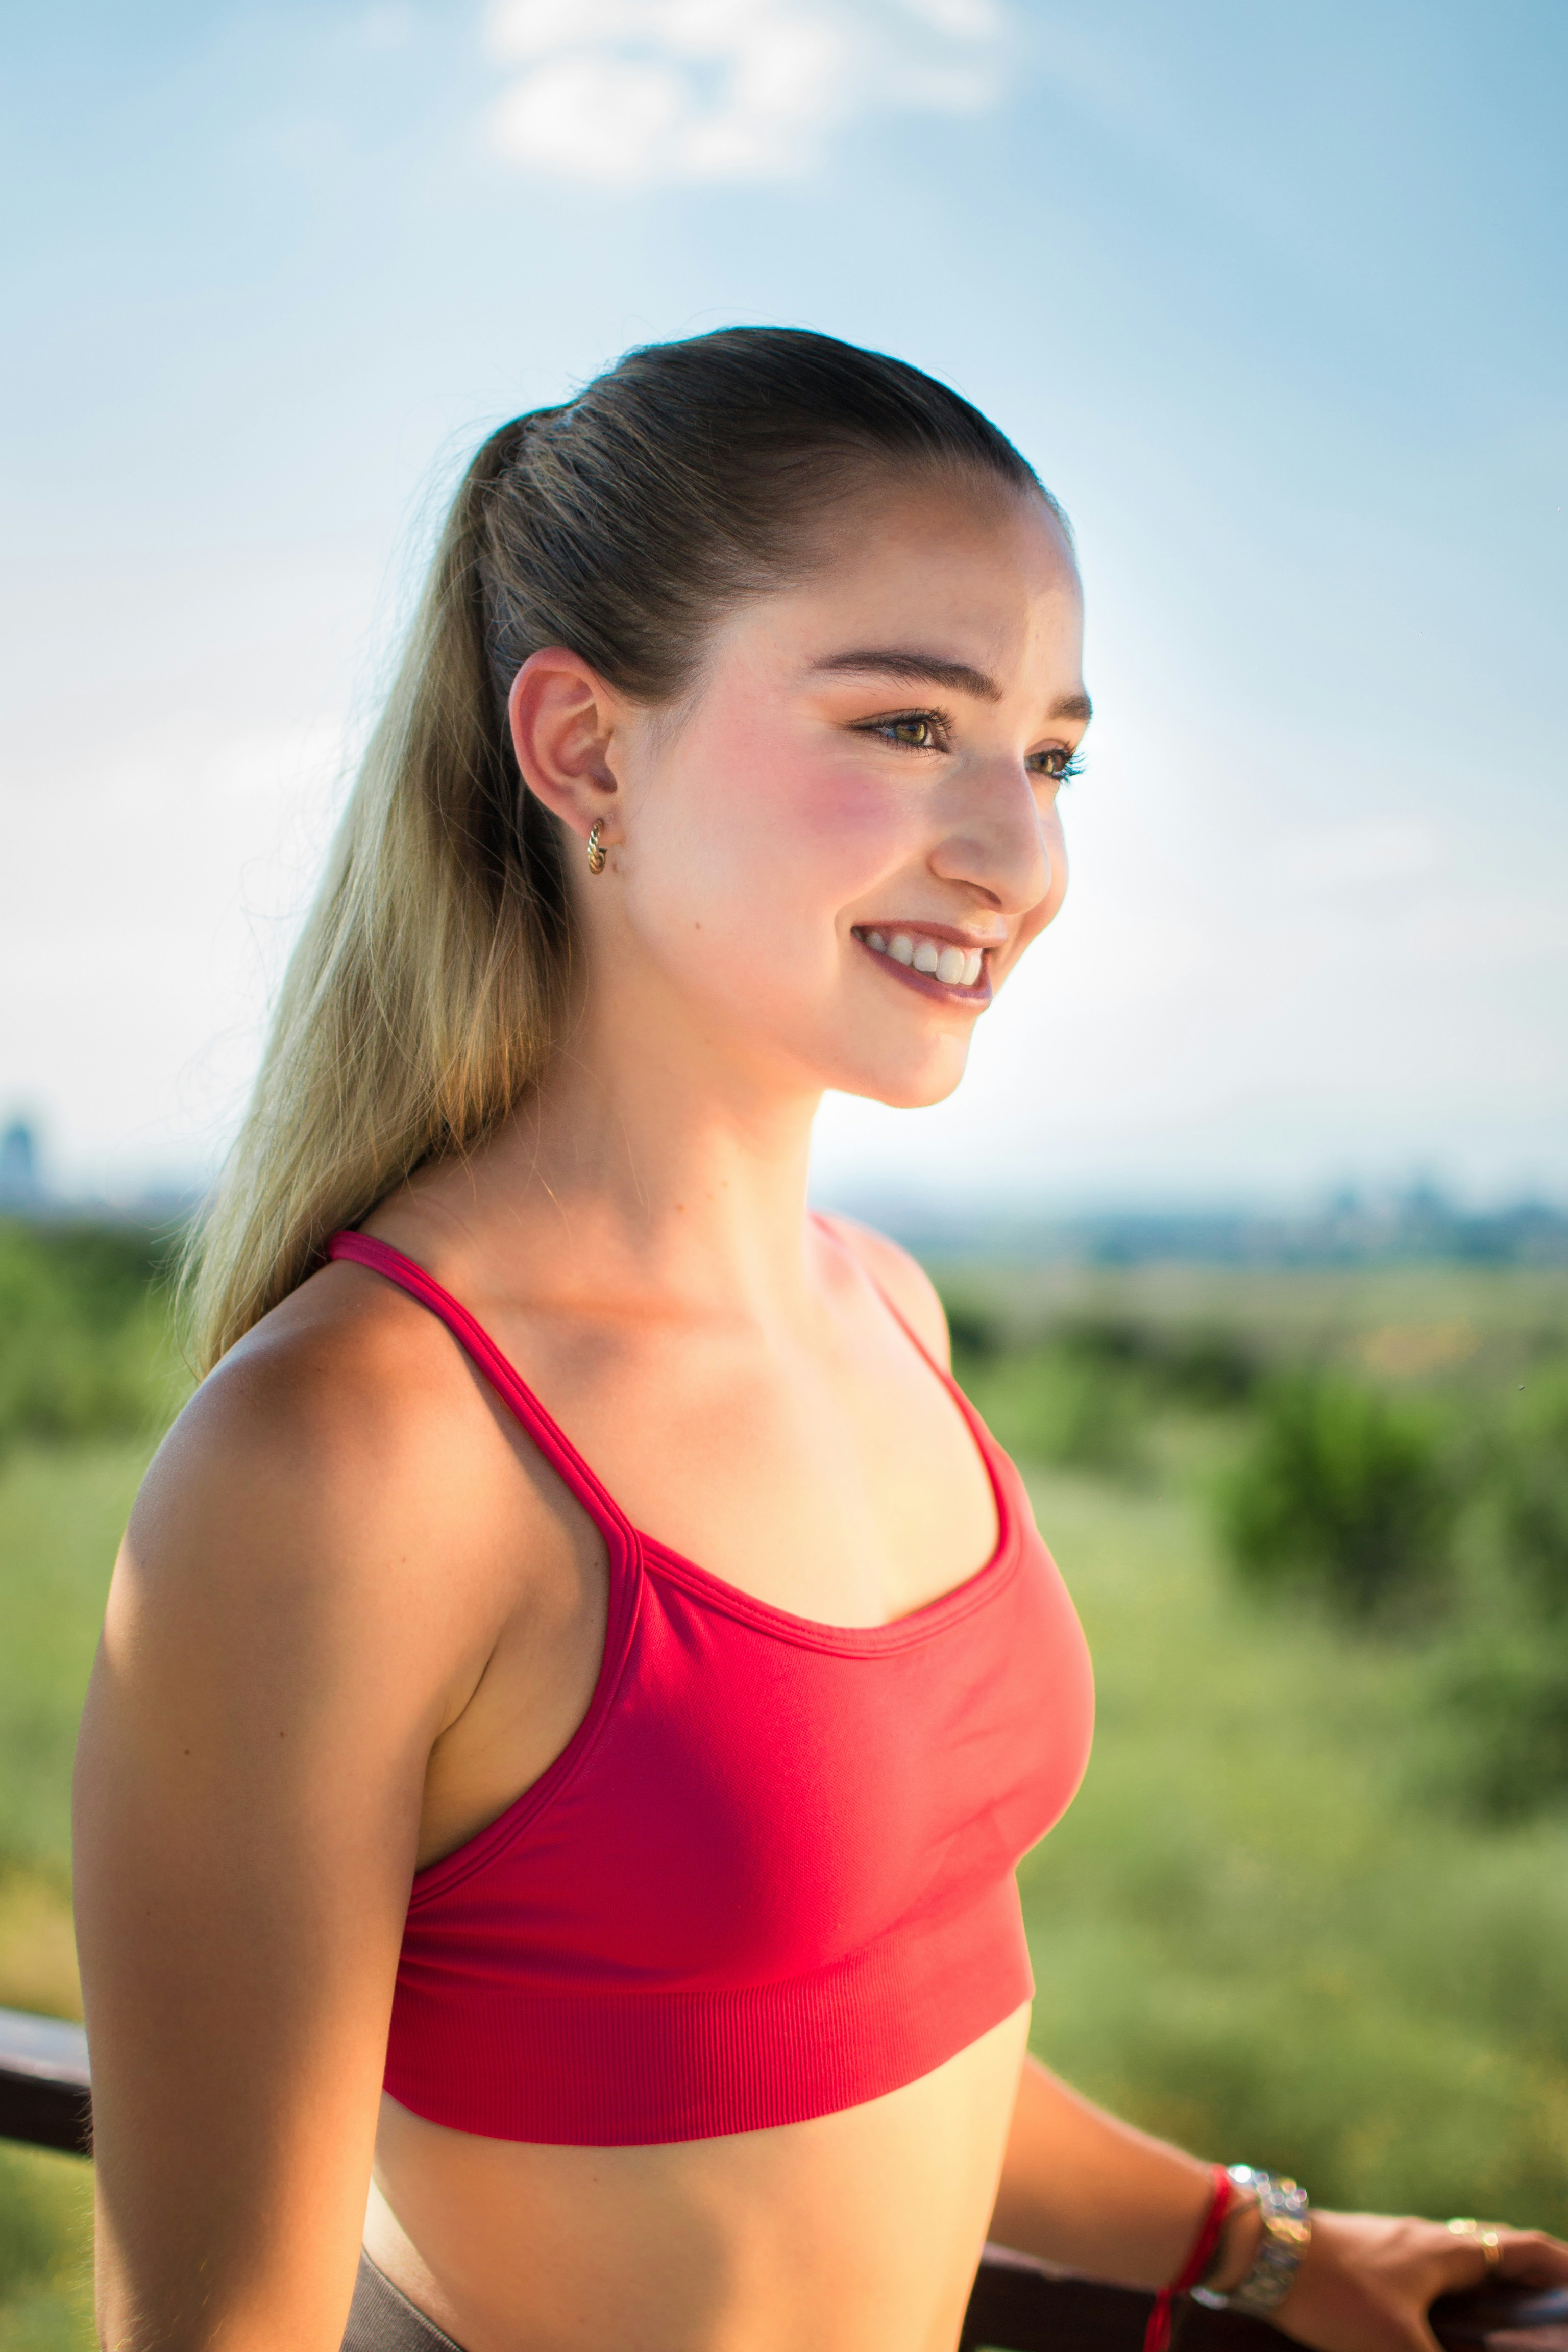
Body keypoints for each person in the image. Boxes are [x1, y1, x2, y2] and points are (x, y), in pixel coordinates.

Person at [73, 328, 1567, 2352]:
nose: (1023, 858)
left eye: (1051, 758)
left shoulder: (888, 1314)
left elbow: (836, 2030)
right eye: (906, 725)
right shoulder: (351, 1455)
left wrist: (1257, 2245)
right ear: (586, 751)